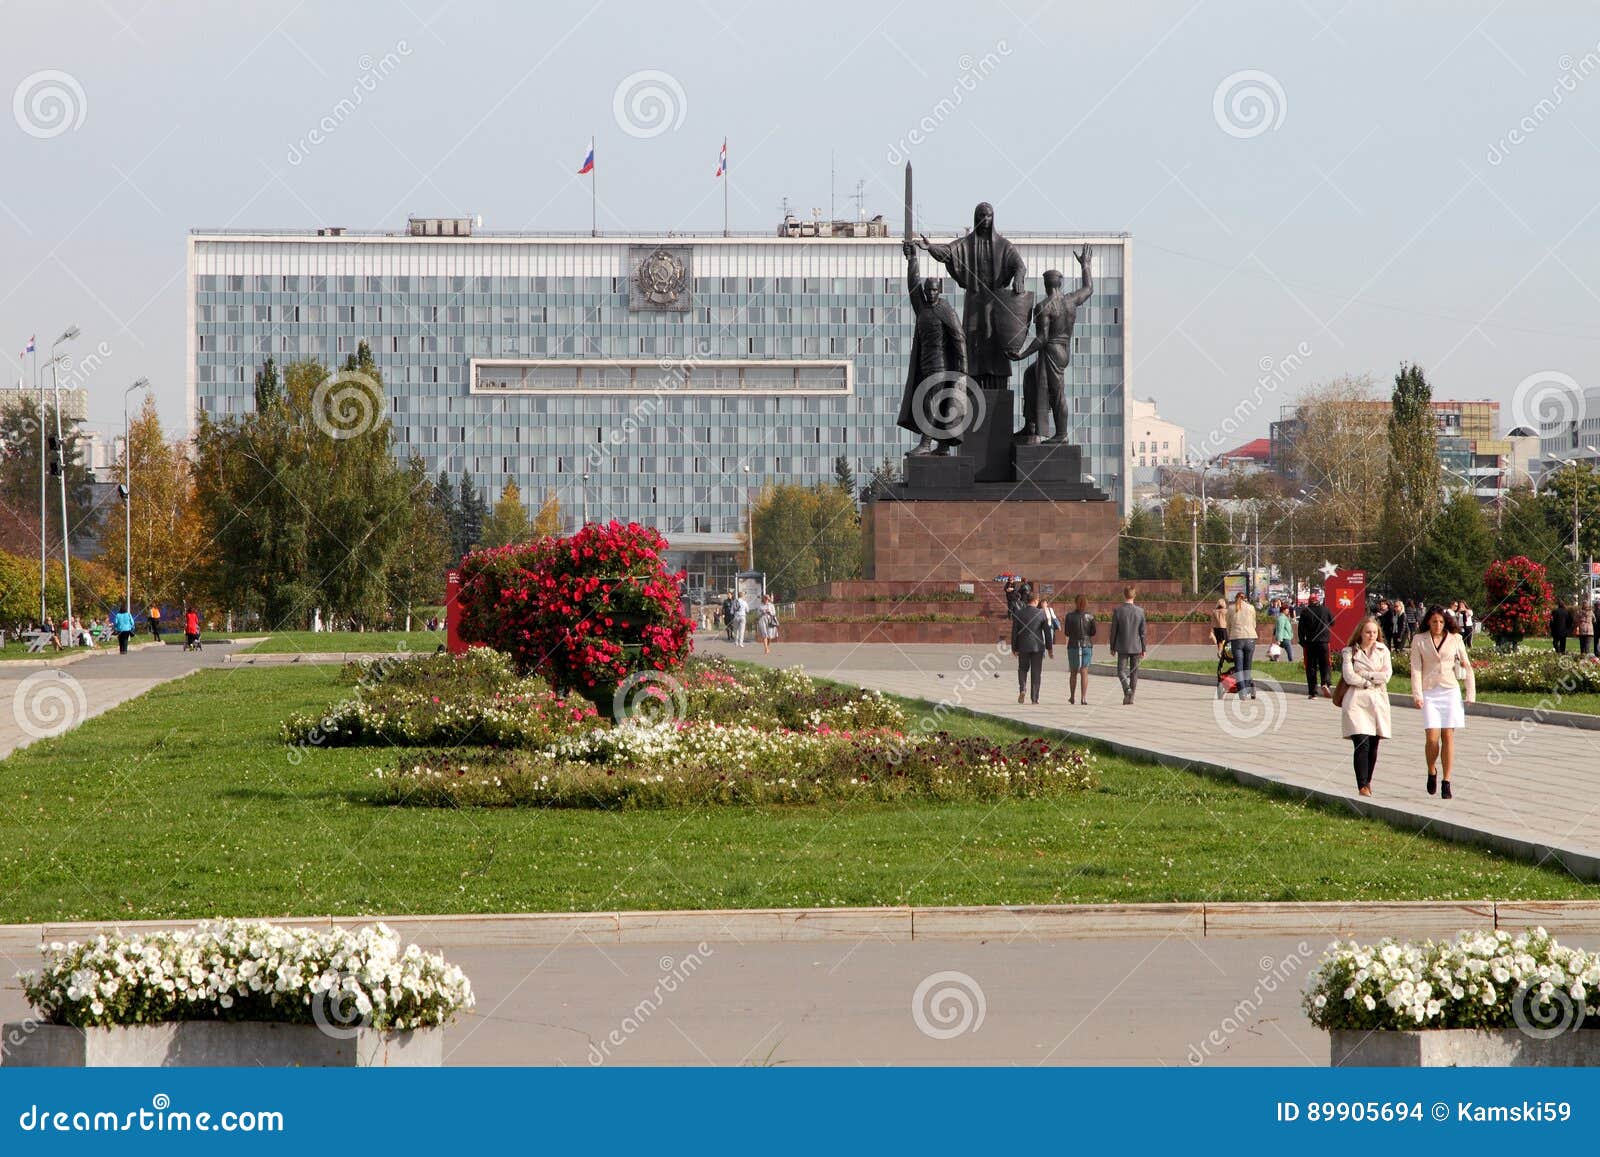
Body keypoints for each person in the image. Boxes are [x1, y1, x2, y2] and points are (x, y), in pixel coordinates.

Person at [1410, 604, 1476, 800]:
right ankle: (1431, 770)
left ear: (1446, 622)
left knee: (1448, 736)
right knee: (1432, 738)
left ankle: (1447, 781)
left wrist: (1470, 692)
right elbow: (1416, 668)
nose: (1437, 625)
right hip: (1429, 692)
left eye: (1440, 622)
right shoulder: (1419, 640)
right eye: (1434, 622)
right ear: (1428, 622)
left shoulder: (1455, 639)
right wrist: (1417, 694)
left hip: (1450, 690)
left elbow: (1466, 664)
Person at [1339, 616, 1393, 797]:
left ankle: (1368, 781)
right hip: (1356, 701)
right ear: (1360, 633)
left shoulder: (1383, 650)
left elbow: (1386, 676)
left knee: (1373, 745)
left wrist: (1364, 674)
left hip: (1377, 702)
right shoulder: (1349, 652)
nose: (1371, 635)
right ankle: (1362, 784)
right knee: (1361, 742)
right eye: (1368, 632)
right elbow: (1349, 676)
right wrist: (1370, 680)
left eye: (1374, 632)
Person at [1109, 586, 1147, 706]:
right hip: (1136, 646)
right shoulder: (1140, 611)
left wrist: (1112, 646)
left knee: (1121, 671)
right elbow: (1142, 632)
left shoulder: (1118, 611)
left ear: (1124, 595)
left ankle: (1127, 689)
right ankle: (1131, 698)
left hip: (1122, 646)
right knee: (1134, 672)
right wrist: (1144, 648)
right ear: (1134, 596)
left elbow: (1113, 631)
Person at [1298, 590, 1335, 699]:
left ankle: (1313, 693)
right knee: (1326, 664)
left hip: (1310, 643)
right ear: (1318, 601)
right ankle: (1325, 682)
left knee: (1311, 667)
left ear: (1309, 601)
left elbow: (1300, 630)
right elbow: (1333, 622)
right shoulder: (1325, 610)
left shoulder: (1305, 612)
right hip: (1324, 642)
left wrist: (1302, 642)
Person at [1011, 596, 1049, 705]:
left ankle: (1022, 689)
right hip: (1037, 647)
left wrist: (1014, 647)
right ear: (1036, 601)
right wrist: (1049, 647)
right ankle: (1034, 698)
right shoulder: (1041, 613)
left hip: (1023, 646)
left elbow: (1014, 632)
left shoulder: (1019, 613)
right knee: (1036, 672)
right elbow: (1047, 632)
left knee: (1022, 668)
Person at [1061, 594, 1096, 706]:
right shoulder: (1090, 616)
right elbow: (1093, 632)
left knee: (1073, 672)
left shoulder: (1069, 616)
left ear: (1075, 603)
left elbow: (1066, 632)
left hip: (1073, 645)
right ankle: (1083, 698)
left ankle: (1072, 696)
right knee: (1084, 671)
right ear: (1086, 603)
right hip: (1086, 645)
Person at [1226, 591, 1258, 699]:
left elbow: (1228, 625)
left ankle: (1242, 692)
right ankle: (1248, 687)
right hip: (1250, 638)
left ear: (1236, 598)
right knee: (1247, 666)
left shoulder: (1231, 608)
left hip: (1236, 638)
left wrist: (1230, 635)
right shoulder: (1251, 608)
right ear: (1245, 598)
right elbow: (1254, 624)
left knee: (1239, 667)